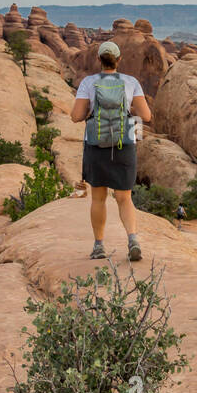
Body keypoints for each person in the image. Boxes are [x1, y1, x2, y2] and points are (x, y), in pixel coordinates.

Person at [71, 41, 151, 261]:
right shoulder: (130, 81)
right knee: (124, 197)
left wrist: (91, 111)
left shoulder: (88, 82)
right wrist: (126, 109)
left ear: (99, 59)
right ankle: (133, 240)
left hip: (96, 144)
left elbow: (76, 116)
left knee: (98, 198)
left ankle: (99, 246)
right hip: (123, 143)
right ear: (119, 60)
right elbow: (146, 116)